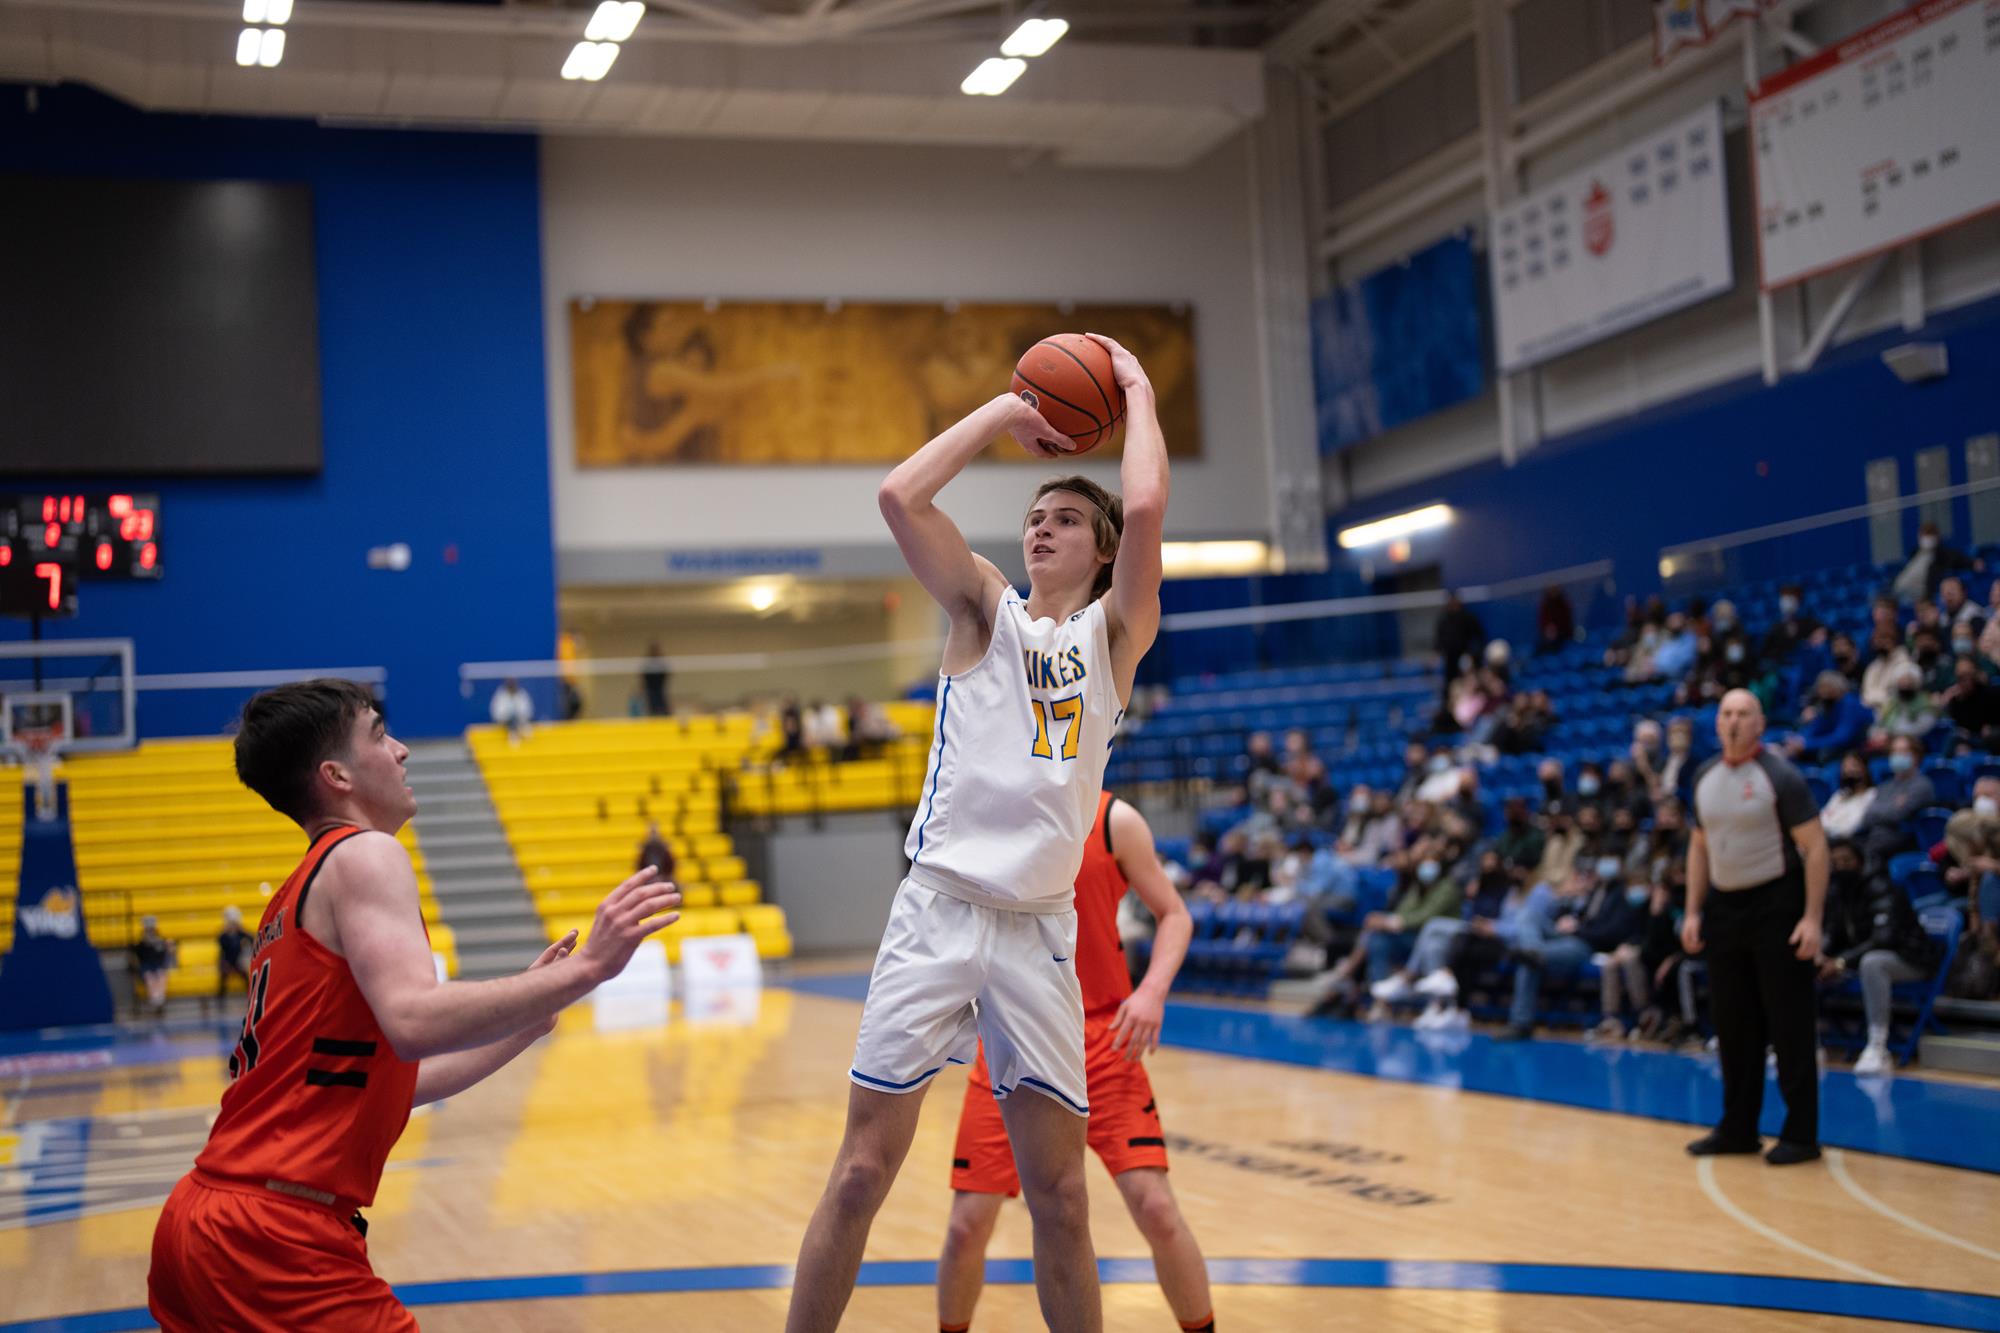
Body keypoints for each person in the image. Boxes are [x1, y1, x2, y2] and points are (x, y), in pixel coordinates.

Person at [787, 334, 1166, 1333]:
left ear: (1103, 548)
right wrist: (1008, 414)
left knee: (1061, 1197)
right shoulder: (982, 609)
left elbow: (1153, 506)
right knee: (863, 1167)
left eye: (1067, 519)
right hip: (939, 910)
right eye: (1034, 514)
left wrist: (1131, 386)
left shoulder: (1114, 636)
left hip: (1037, 936)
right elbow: (898, 497)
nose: (1041, 528)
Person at [149, 680, 682, 1331]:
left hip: (202, 1219)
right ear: (335, 774)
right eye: (378, 733)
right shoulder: (365, 853)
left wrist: (528, 1020)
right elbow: (411, 1021)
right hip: (275, 1235)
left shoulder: (292, 895)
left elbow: (378, 1084)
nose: (400, 749)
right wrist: (593, 966)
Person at [937, 794, 1211, 1333]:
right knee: (968, 1227)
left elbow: (1174, 914)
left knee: (1155, 1208)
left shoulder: (1115, 820)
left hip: (1103, 1040)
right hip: (1010, 1040)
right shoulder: (989, 809)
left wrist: (1152, 991)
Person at [1683, 689, 1828, 1166]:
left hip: (1776, 905)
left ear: (1760, 724)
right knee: (1733, 1024)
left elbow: (1817, 848)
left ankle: (1801, 1134)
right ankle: (1738, 1129)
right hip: (1725, 909)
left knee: (1788, 1023)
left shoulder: (1779, 776)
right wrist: (1692, 911)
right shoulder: (1704, 777)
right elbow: (1699, 847)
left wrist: (1811, 919)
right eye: (1726, 713)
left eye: (1743, 713)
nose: (1734, 721)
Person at [1817, 840, 1942, 1076]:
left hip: (1911, 959)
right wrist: (1821, 955)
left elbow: (1883, 938)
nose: (1841, 866)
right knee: (1807, 959)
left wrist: (1842, 961)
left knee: (1873, 962)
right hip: (1860, 958)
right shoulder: (1836, 890)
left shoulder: (1883, 886)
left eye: (1846, 860)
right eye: (1835, 862)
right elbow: (1832, 932)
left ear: (1861, 861)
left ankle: (1878, 1046)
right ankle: (1808, 1043)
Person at [1818, 753, 1877, 842]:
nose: (1849, 771)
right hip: (1827, 839)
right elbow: (1821, 820)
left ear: (1865, 769)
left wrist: (1829, 828)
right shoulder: (1839, 795)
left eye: (1854, 765)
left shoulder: (1872, 795)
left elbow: (1850, 828)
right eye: (1845, 767)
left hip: (1851, 842)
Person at [1433, 591, 1484, 692]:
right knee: (1450, 685)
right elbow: (1439, 640)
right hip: (1450, 659)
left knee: (1468, 681)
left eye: (1455, 601)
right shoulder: (1444, 620)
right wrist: (1436, 653)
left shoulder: (1468, 617)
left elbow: (1479, 637)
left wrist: (1472, 655)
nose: (1453, 604)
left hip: (1465, 656)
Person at [134, 917, 176, 1016]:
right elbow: (139, 957)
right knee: (150, 978)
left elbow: (163, 957)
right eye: (148, 929)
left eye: (151, 929)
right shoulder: (141, 943)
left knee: (161, 976)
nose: (150, 932)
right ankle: (156, 1000)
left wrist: (166, 947)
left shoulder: (161, 941)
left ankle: (158, 1000)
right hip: (146, 967)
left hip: (158, 966)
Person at [216, 905, 252, 1004]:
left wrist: (240, 929)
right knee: (223, 976)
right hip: (227, 961)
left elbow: (251, 938)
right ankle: (220, 998)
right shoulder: (223, 935)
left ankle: (251, 994)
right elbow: (221, 943)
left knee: (246, 976)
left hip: (237, 961)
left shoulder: (240, 933)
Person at [488, 676, 534, 743]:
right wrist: (507, 716)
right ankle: (513, 735)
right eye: (510, 686)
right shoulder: (501, 695)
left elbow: (527, 710)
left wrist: (519, 716)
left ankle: (519, 732)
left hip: (520, 720)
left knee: (518, 720)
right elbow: (497, 712)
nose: (512, 688)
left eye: (513, 686)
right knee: (511, 720)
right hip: (504, 721)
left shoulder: (522, 694)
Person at [1536, 584, 1574, 655]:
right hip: (1547, 642)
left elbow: (1567, 622)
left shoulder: (1564, 605)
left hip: (1564, 637)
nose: (1553, 592)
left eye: (1554, 590)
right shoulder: (1544, 606)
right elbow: (1542, 622)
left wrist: (1559, 631)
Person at [640, 640, 671, 716]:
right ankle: (654, 716)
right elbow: (643, 674)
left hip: (659, 684)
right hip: (651, 685)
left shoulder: (662, 660)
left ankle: (664, 715)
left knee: (661, 702)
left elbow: (666, 672)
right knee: (652, 703)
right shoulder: (647, 661)